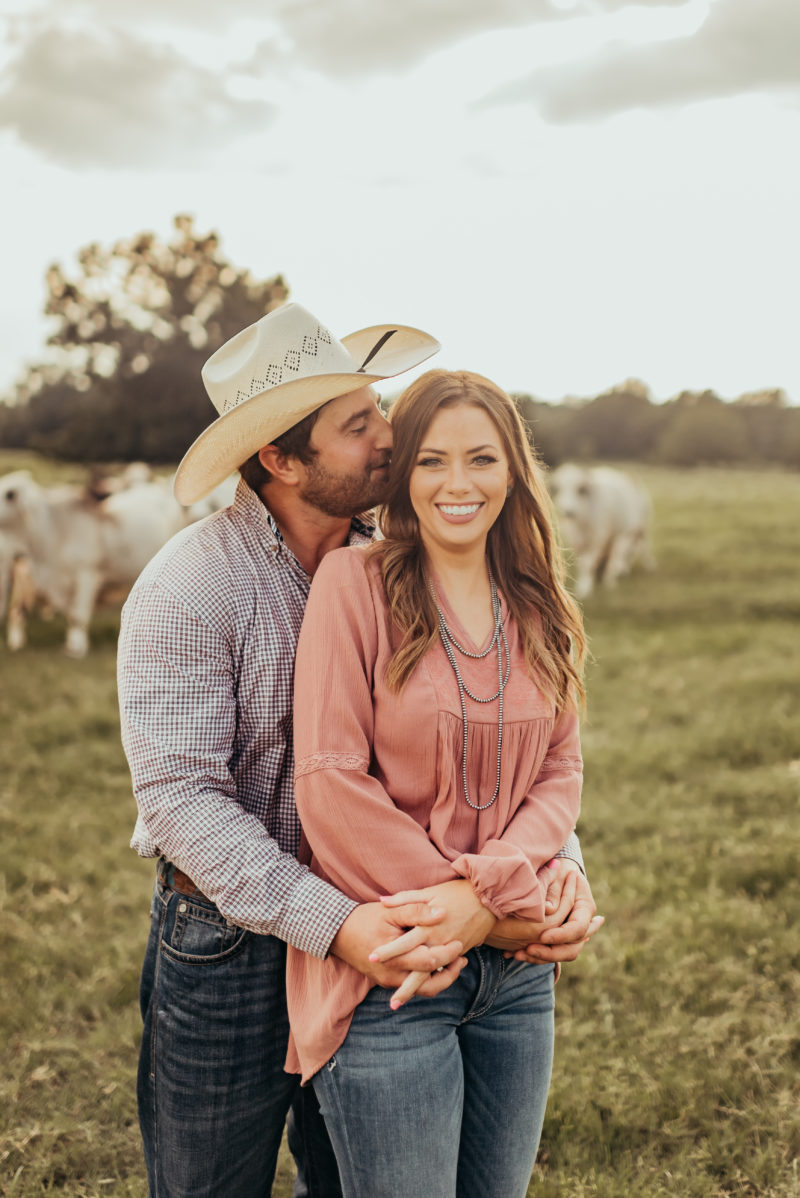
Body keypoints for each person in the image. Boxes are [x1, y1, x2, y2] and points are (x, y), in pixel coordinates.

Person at [117, 304, 597, 1197]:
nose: (389, 438)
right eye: (358, 425)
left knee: (352, 1181)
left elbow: (509, 748)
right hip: (235, 936)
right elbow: (182, 799)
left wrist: (550, 865)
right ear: (281, 458)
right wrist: (345, 925)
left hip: (397, 923)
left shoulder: (404, 559)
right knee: (208, 1183)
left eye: (378, 412)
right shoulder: (191, 585)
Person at [286, 368, 597, 1198]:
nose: (458, 485)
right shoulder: (353, 585)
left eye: (481, 459)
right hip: (395, 964)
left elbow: (561, 770)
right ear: (403, 477)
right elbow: (329, 782)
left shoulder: (540, 604)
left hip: (518, 981)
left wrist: (494, 907)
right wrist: (479, 914)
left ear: (512, 472)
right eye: (431, 461)